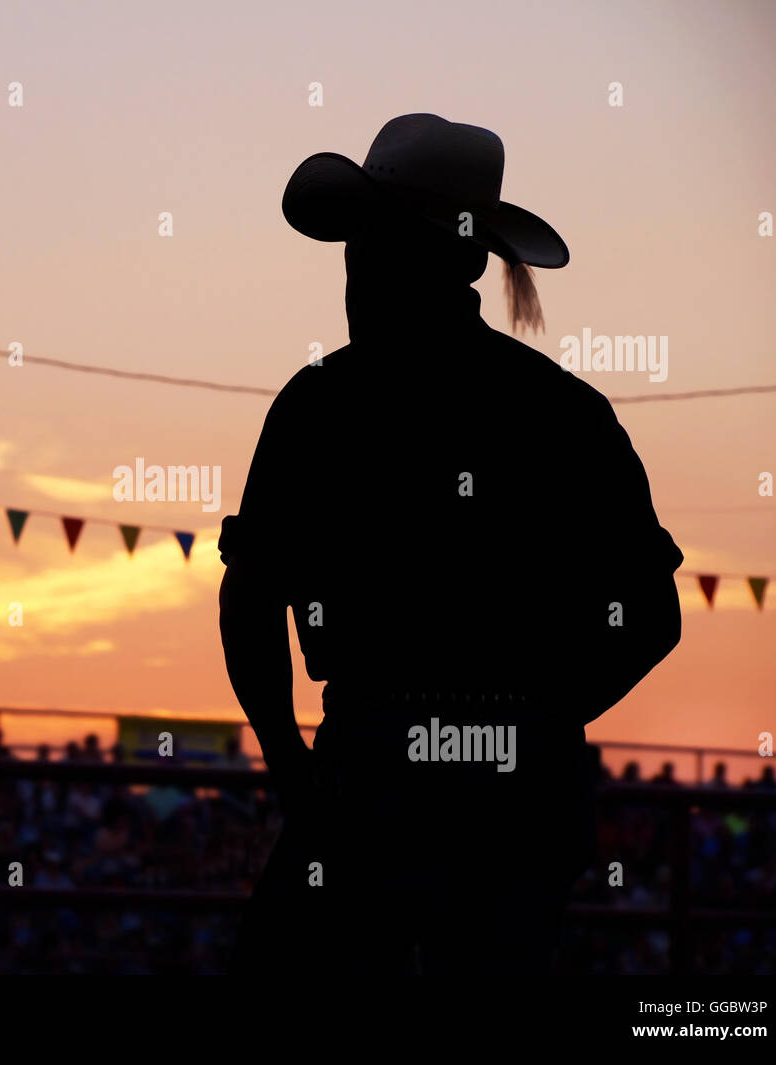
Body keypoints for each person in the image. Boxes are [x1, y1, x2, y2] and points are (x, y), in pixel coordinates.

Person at [219, 114, 683, 974]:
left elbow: (248, 600)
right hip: (522, 799)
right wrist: (529, 721)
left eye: (367, 245)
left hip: (369, 778)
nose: (353, 272)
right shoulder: (565, 413)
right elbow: (651, 614)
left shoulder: (323, 405)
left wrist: (293, 767)